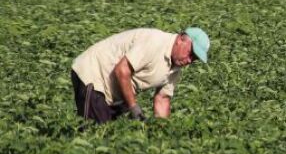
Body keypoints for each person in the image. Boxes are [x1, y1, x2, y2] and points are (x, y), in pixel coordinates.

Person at [71, 27, 209, 123]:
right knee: (94, 134)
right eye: (190, 53)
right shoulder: (155, 42)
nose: (190, 60)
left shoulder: (176, 68)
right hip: (94, 74)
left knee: (110, 137)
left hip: (114, 90)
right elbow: (122, 70)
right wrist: (133, 107)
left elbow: (162, 99)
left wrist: (162, 132)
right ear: (181, 39)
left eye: (194, 58)